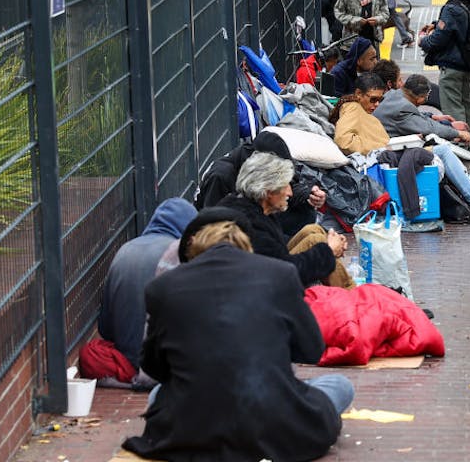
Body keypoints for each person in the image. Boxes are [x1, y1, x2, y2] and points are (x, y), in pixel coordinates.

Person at [121, 207, 353, 462]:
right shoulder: (280, 274)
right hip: (272, 419)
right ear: (245, 244)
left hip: (193, 428)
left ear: (191, 249)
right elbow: (312, 349)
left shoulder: (163, 287)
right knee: (339, 386)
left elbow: (154, 367)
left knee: (158, 395)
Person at [371, 74, 470, 218]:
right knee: (443, 151)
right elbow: (428, 128)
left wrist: (433, 117)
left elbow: (418, 117)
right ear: (420, 98)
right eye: (426, 97)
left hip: (388, 146)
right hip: (390, 152)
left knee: (440, 148)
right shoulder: (404, 107)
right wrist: (457, 133)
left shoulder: (395, 95)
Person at [218, 152, 349, 287]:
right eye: (285, 186)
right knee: (317, 242)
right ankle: (352, 298)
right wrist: (328, 251)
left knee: (312, 230)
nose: (290, 193)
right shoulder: (251, 225)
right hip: (256, 287)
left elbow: (276, 249)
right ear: (268, 191)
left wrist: (332, 243)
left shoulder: (250, 206)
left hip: (263, 274)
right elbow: (282, 274)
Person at [97, 198, 197, 374]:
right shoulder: (179, 253)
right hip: (164, 362)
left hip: (126, 359)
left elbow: (105, 327)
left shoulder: (125, 250)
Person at [195, 130, 328, 238]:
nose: (288, 191)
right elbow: (214, 228)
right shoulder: (222, 176)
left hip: (254, 216)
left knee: (304, 212)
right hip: (232, 233)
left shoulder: (258, 163)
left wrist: (309, 193)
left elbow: (289, 187)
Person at [419, 0, 470, 150]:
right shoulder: (464, 5)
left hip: (451, 66)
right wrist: (436, 25)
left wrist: (423, 41)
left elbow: (440, 38)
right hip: (465, 65)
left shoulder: (450, 9)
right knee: (465, 105)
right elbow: (455, 29)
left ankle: (461, 144)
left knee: (453, 107)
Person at [330, 72, 391, 155]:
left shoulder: (360, 109)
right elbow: (344, 140)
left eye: (380, 100)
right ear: (359, 94)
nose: (377, 104)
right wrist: (383, 148)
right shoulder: (353, 107)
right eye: (373, 99)